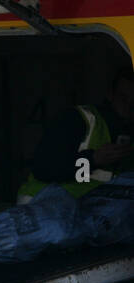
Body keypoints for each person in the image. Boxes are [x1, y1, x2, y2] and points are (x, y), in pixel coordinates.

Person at [18, 63, 134, 203]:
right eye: (123, 99)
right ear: (110, 94)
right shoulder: (79, 120)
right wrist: (93, 159)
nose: (129, 107)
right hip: (44, 208)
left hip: (86, 213)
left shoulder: (127, 132)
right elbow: (44, 169)